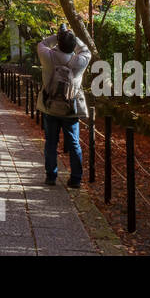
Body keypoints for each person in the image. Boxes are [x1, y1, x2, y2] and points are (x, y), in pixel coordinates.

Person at [37, 26, 90, 187]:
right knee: (74, 143)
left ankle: (51, 176)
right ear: (73, 45)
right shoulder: (80, 61)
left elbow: (42, 43)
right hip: (70, 108)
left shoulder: (48, 56)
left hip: (50, 106)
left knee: (51, 142)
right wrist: (72, 35)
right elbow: (85, 49)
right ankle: (76, 179)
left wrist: (58, 35)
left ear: (58, 42)